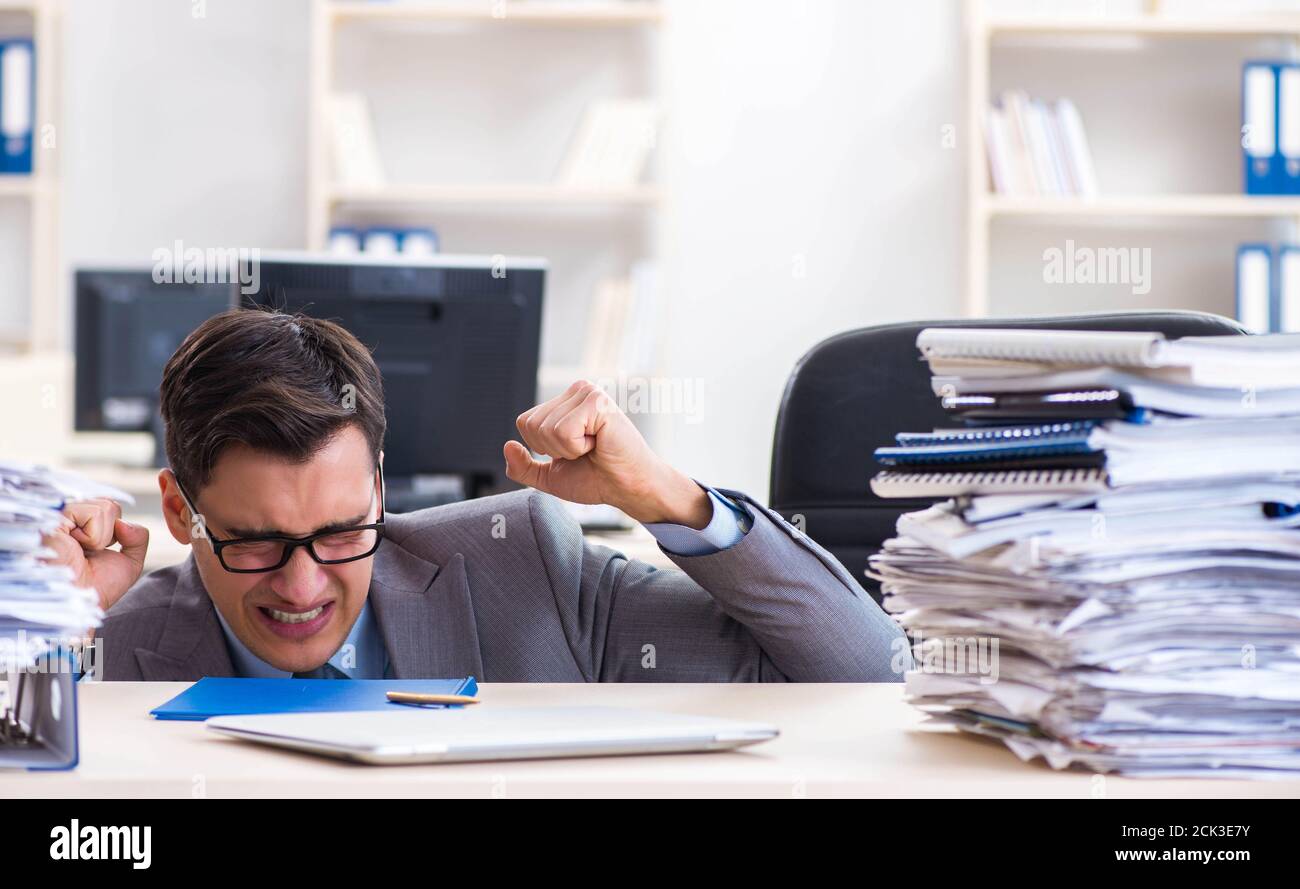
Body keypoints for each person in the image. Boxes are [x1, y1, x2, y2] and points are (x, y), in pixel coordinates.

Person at [44, 308, 907, 681]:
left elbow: (869, 671)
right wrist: (46, 628)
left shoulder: (519, 571)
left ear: (381, 489)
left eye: (344, 530)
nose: (303, 586)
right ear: (179, 511)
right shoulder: (106, 640)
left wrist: (665, 497)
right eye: (257, 543)